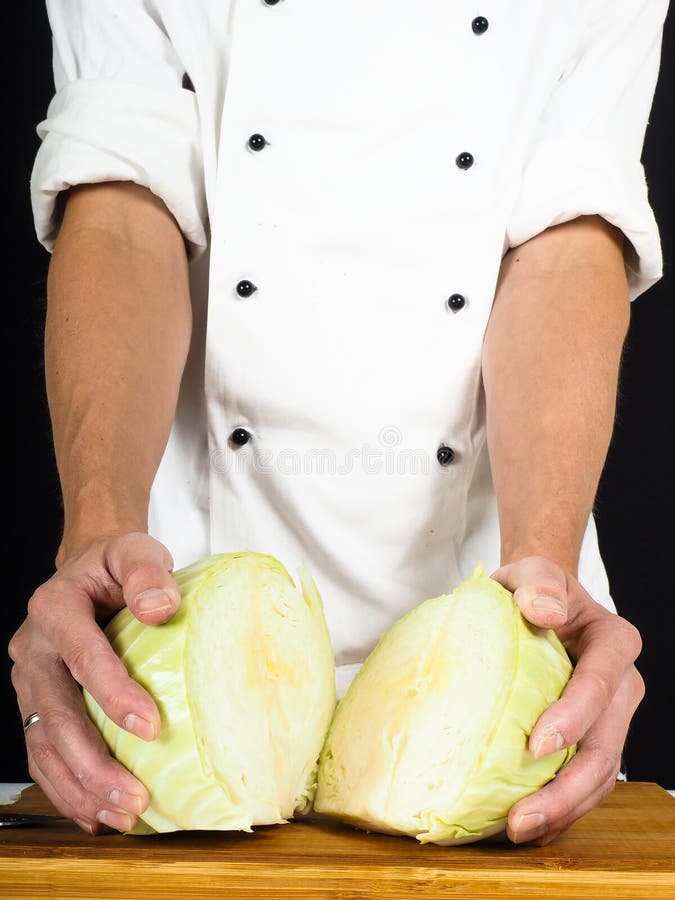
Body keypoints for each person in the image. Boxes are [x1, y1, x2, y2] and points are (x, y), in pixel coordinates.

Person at [9, 0, 669, 842]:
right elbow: (122, 206)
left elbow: (569, 239)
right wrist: (96, 530)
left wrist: (544, 564)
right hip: (179, 635)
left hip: (481, 650)